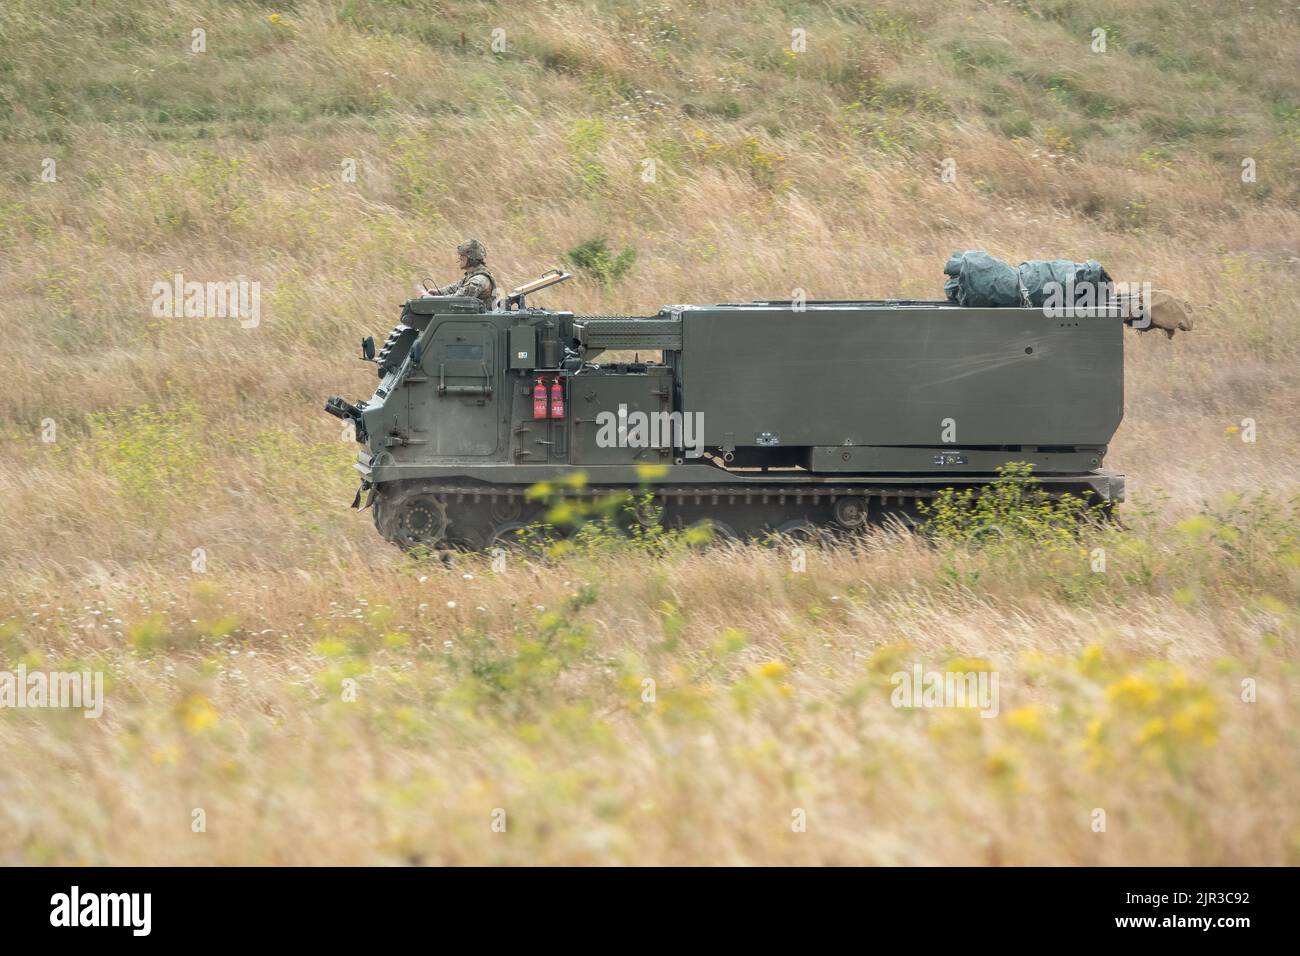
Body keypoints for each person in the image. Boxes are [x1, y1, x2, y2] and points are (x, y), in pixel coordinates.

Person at [423, 239, 496, 304]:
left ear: (472, 259)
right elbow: (455, 288)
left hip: (479, 318)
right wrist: (438, 292)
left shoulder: (479, 280)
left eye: (463, 258)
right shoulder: (471, 275)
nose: (459, 259)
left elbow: (460, 299)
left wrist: (433, 299)